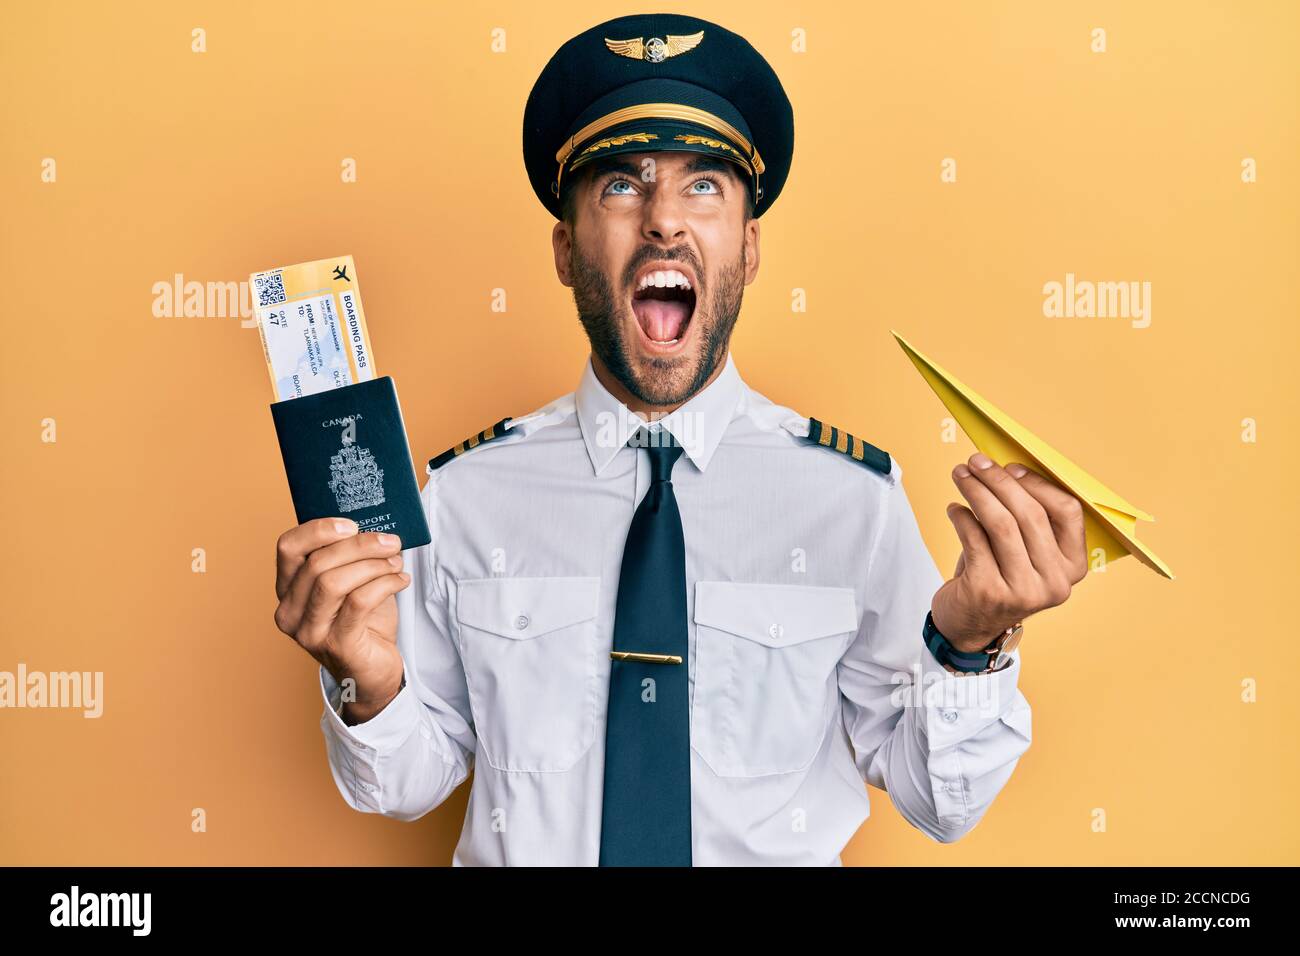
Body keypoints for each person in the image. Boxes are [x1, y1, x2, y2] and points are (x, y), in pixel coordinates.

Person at [272, 13, 1088, 866]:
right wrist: (366, 679)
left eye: (705, 186)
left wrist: (966, 643)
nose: (663, 222)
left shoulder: (853, 499)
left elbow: (938, 803)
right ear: (564, 247)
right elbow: (409, 781)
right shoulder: (465, 494)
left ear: (749, 245)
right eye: (621, 185)